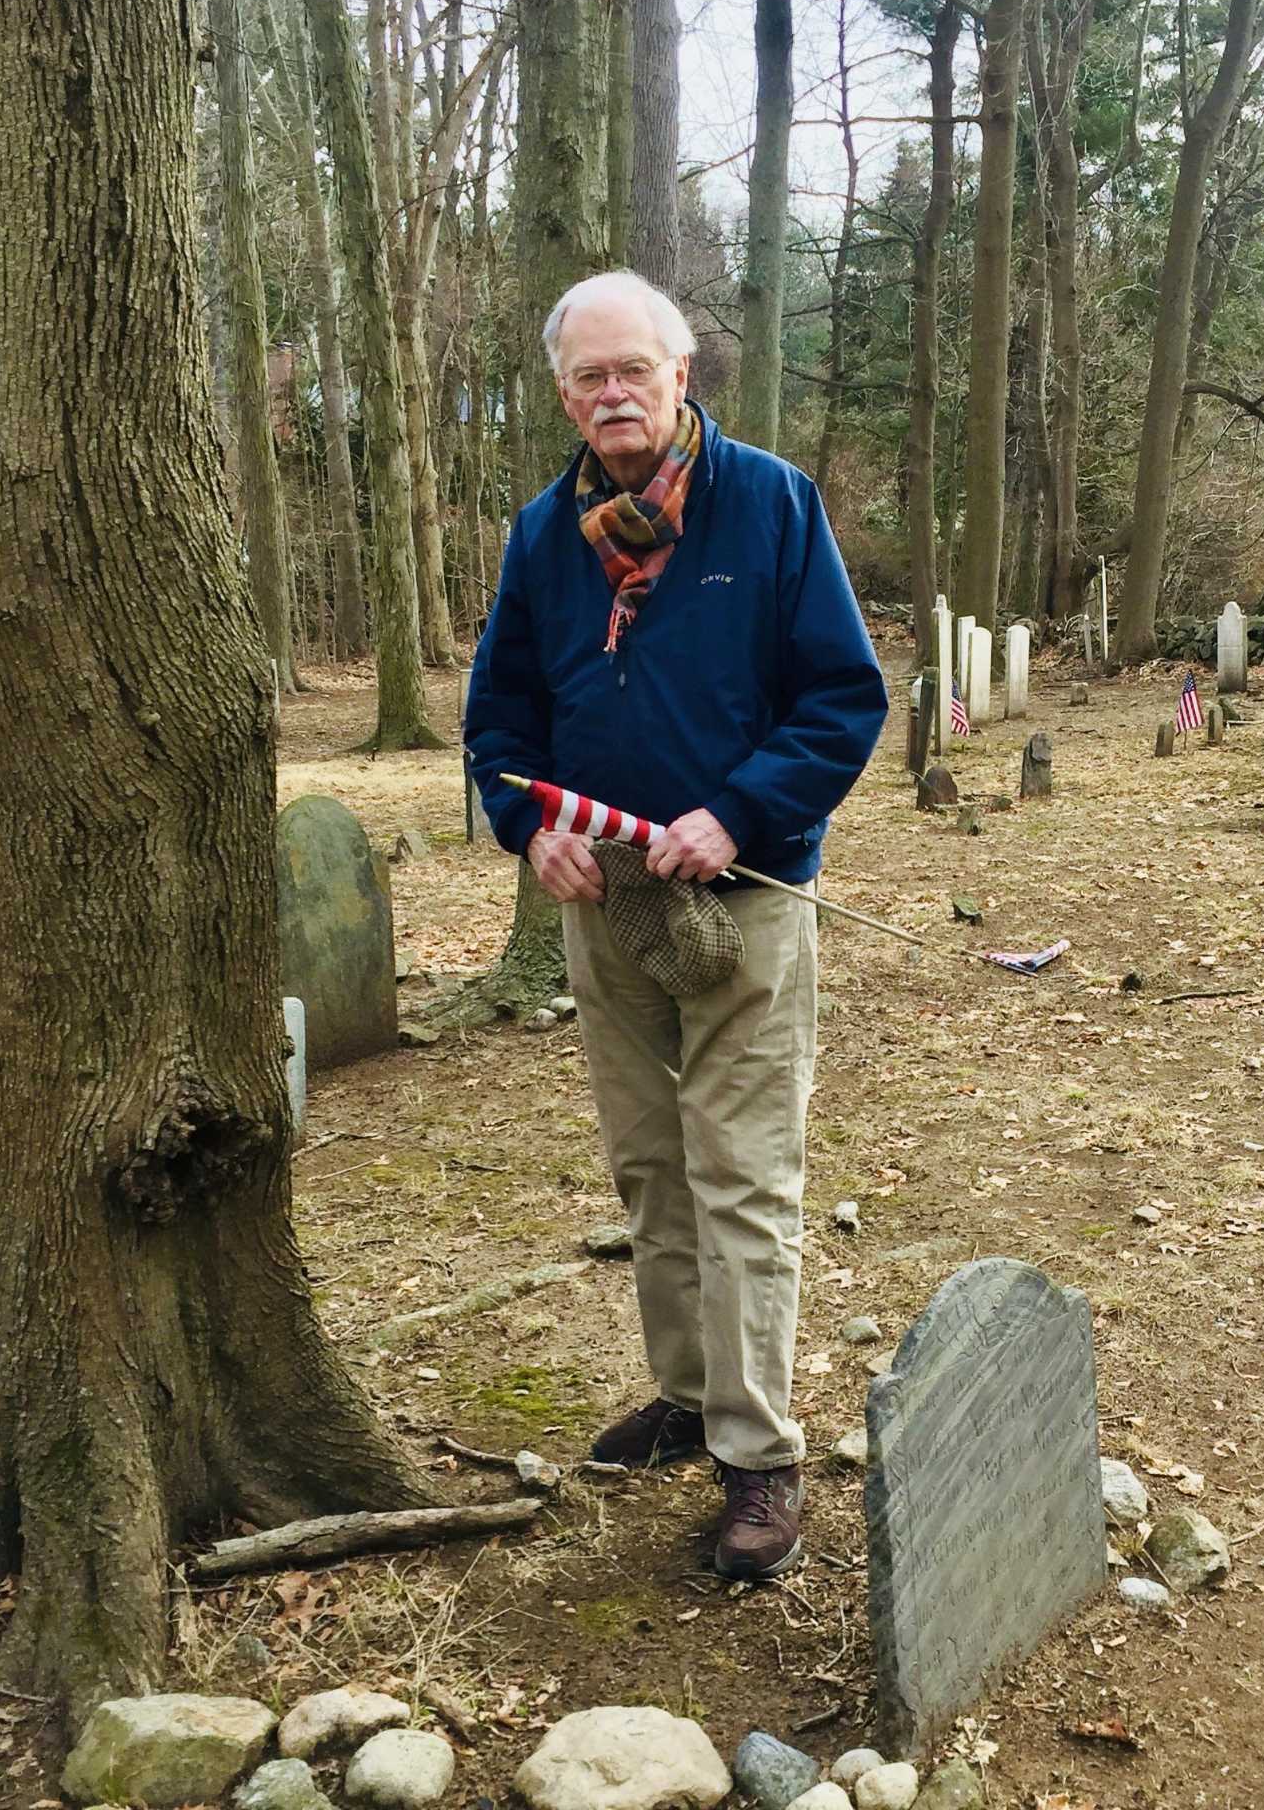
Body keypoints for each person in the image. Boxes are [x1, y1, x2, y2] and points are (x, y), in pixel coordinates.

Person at [465, 269, 886, 1580]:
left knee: (742, 1185)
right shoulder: (544, 535)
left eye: (630, 372)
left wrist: (740, 814)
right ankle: (690, 1397)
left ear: (679, 372)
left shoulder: (768, 505)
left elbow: (840, 700)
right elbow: (499, 724)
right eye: (586, 378)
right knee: (650, 1172)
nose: (610, 396)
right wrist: (528, 828)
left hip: (743, 904)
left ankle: (760, 1461)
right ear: (562, 393)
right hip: (610, 913)